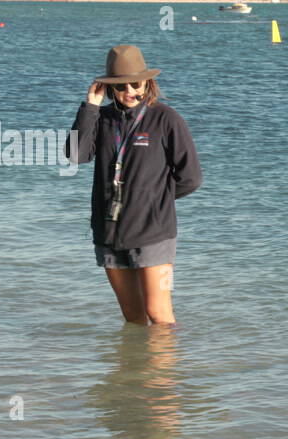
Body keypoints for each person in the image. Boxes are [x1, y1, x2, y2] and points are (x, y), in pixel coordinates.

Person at [65, 44, 202, 325]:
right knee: (133, 317)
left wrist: (152, 202)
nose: (129, 91)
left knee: (159, 314)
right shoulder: (101, 119)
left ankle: (166, 370)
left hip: (155, 233)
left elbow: (191, 177)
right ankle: (135, 370)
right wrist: (90, 107)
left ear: (147, 82)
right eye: (120, 86)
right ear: (109, 88)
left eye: (135, 84)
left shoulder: (166, 119)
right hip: (109, 232)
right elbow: (76, 155)